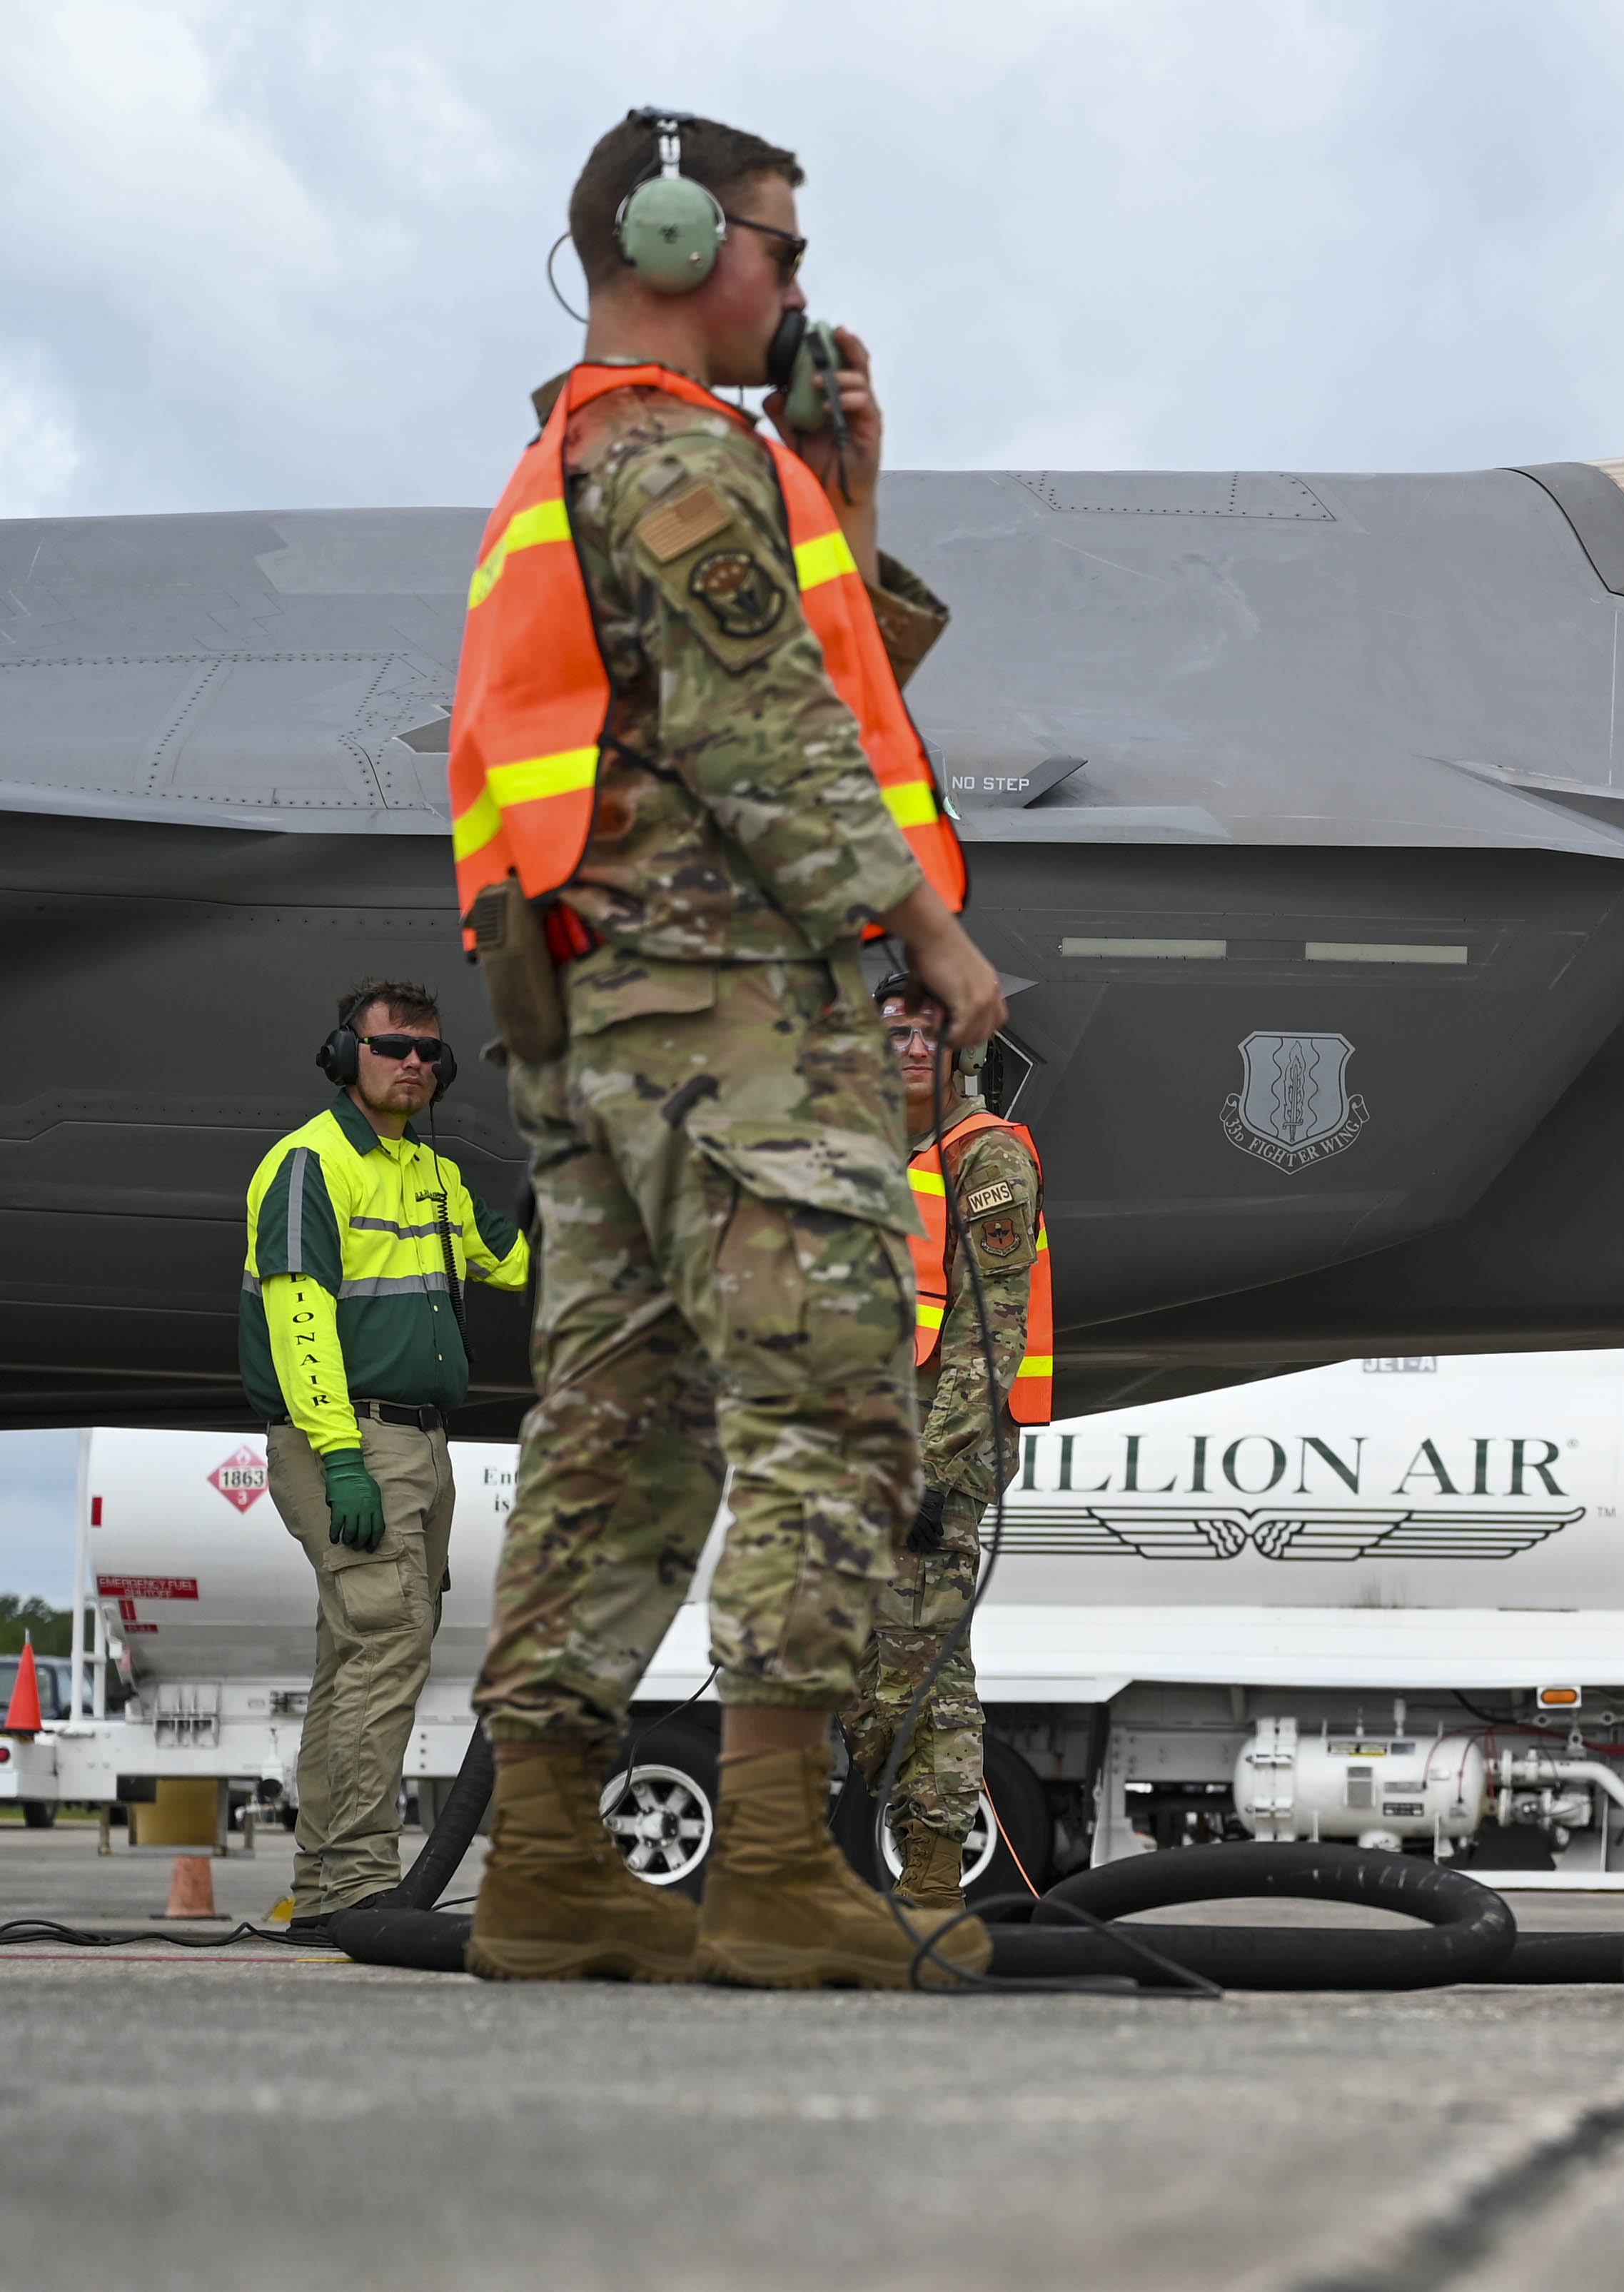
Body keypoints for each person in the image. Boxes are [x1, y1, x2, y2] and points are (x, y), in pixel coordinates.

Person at [450, 109, 1005, 1986]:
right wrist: (930, 928)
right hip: (735, 1013)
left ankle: (543, 1858)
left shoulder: (584, 456)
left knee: (614, 1428)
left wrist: (844, 500)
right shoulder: (682, 453)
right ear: (681, 237)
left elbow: (772, 673)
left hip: (608, 1023)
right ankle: (772, 1860)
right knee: (830, 1411)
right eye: (783, 248)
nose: (796, 290)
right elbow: (766, 737)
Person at [241, 980, 528, 1930]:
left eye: (429, 1053)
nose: (415, 1062)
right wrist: (341, 1456)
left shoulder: (429, 1173)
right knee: (385, 1654)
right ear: (342, 1056)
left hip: (418, 1440)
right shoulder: (309, 1165)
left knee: (355, 1659)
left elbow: (512, 1259)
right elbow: (298, 1315)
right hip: (354, 1437)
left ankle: (328, 1890)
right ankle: (364, 1883)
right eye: (393, 1045)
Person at [842, 976, 1050, 1909]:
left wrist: (932, 1470)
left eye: (932, 1032)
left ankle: (927, 1874)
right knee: (848, 1664)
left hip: (933, 1454)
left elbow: (987, 1332)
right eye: (895, 1031)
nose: (913, 1046)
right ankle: (876, 1839)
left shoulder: (987, 1156)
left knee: (920, 1663)